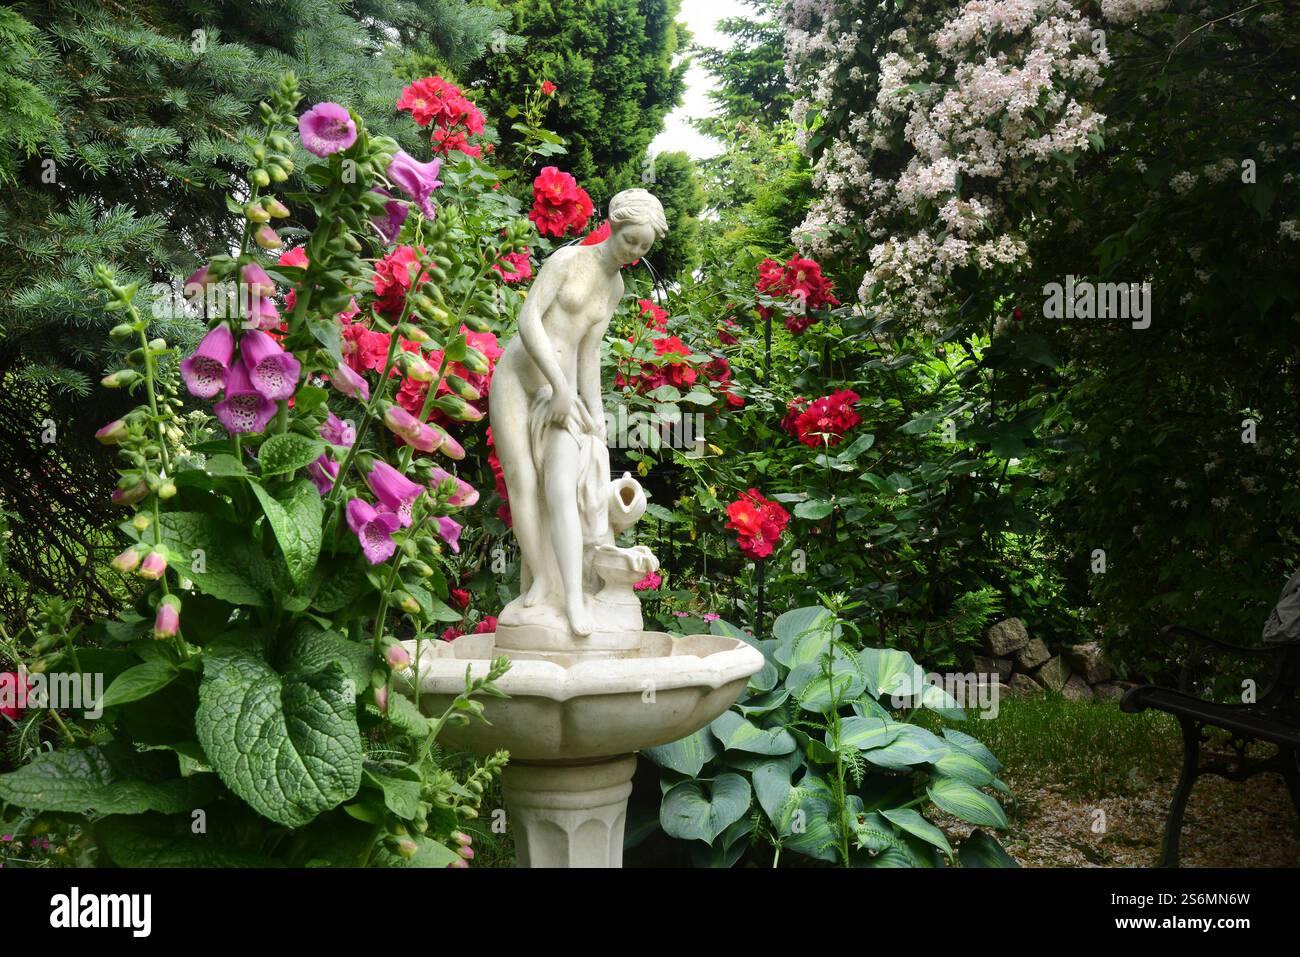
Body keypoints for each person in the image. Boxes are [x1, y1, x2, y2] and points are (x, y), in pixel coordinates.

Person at [488, 189, 668, 635]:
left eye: (644, 247)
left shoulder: (616, 287)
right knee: (523, 483)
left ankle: (570, 595)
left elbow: (590, 355)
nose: (635, 253)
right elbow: (528, 320)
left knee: (561, 486)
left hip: (560, 393)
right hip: (517, 381)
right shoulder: (567, 263)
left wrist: (597, 419)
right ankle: (543, 581)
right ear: (614, 225)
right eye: (631, 241)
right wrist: (558, 384)